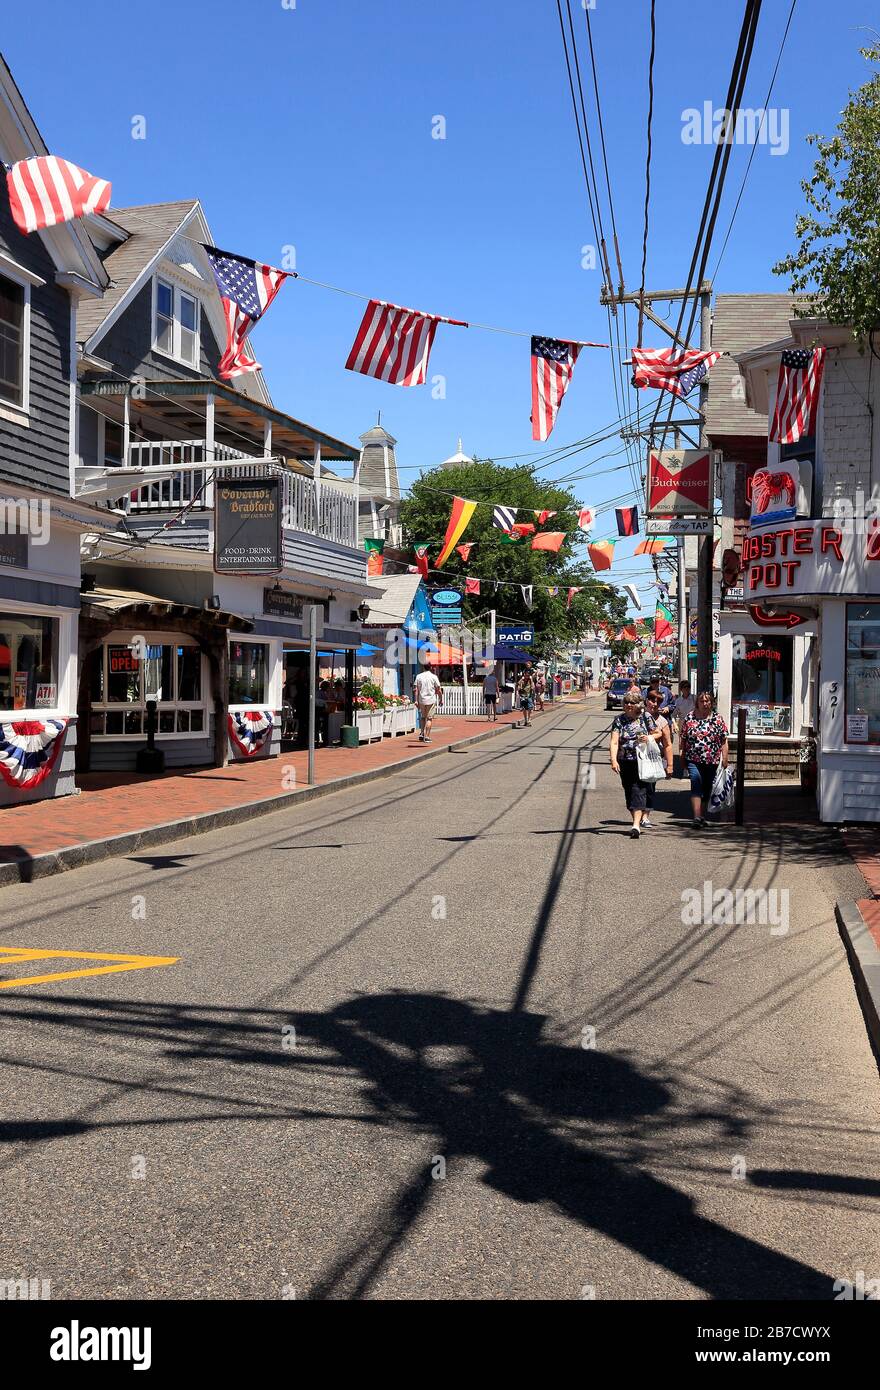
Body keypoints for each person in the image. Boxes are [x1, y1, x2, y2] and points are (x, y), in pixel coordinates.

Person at [609, 693, 660, 839]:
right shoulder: (619, 720)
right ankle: (636, 819)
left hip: (642, 760)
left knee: (639, 789)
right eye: (626, 703)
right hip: (625, 760)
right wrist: (613, 760)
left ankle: (636, 825)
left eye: (631, 703)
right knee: (628, 790)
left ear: (638, 704)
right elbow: (614, 741)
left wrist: (648, 737)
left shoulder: (645, 717)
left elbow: (658, 733)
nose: (628, 705)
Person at [680, 690, 730, 828]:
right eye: (702, 701)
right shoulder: (690, 717)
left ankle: (701, 816)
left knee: (707, 788)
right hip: (693, 758)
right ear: (697, 703)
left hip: (711, 760)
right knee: (696, 782)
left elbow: (724, 740)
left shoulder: (718, 719)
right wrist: (682, 756)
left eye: (707, 701)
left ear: (712, 703)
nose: (704, 703)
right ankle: (696, 816)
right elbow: (683, 739)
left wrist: (725, 757)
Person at [642, 690, 675, 828]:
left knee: (650, 787)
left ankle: (645, 816)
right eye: (652, 700)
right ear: (646, 701)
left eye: (658, 702)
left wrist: (670, 765)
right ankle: (637, 812)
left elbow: (668, 745)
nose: (654, 704)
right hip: (637, 758)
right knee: (637, 788)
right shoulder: (638, 716)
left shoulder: (662, 721)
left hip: (654, 759)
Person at [413, 667, 443, 742]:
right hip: (431, 700)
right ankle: (427, 736)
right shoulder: (434, 677)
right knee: (429, 718)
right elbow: (439, 689)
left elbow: (416, 690)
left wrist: (416, 700)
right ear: (431, 668)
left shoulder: (418, 676)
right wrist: (441, 699)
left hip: (422, 700)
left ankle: (422, 733)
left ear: (423, 667)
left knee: (423, 717)